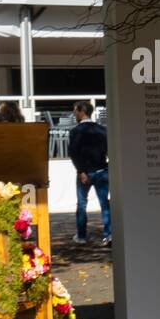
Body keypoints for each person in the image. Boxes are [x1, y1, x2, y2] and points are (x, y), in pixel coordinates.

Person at [68, 100, 111, 245]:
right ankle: (108, 234)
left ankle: (81, 235)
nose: (74, 113)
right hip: (101, 170)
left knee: (81, 204)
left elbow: (73, 153)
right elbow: (109, 150)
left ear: (81, 111)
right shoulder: (102, 130)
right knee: (105, 203)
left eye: (75, 110)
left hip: (84, 172)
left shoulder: (75, 131)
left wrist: (81, 171)